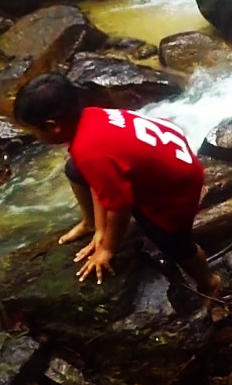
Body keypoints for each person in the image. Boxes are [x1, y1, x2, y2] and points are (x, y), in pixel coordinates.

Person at [14, 73, 221, 294]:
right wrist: (100, 230)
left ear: (52, 126)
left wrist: (107, 248)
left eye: (33, 131)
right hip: (168, 157)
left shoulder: (90, 151)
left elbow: (120, 206)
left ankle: (210, 282)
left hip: (174, 188)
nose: (34, 136)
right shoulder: (91, 115)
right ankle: (90, 223)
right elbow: (102, 183)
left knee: (175, 244)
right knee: (74, 169)